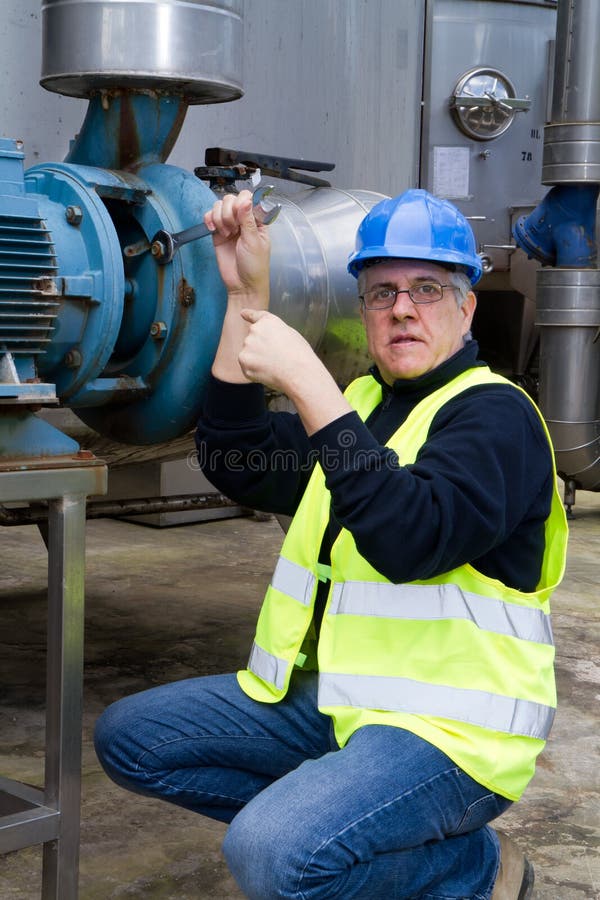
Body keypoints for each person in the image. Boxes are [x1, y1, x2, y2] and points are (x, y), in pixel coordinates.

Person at [95, 188, 568, 899]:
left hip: (450, 738)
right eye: (381, 294)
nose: (402, 308)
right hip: (342, 703)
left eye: (428, 288)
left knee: (272, 853)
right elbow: (238, 458)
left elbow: (411, 538)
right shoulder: (369, 406)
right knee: (133, 738)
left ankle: (470, 869)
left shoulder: (497, 418)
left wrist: (310, 379)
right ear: (363, 312)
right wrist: (245, 297)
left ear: (467, 307)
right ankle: (352, 825)